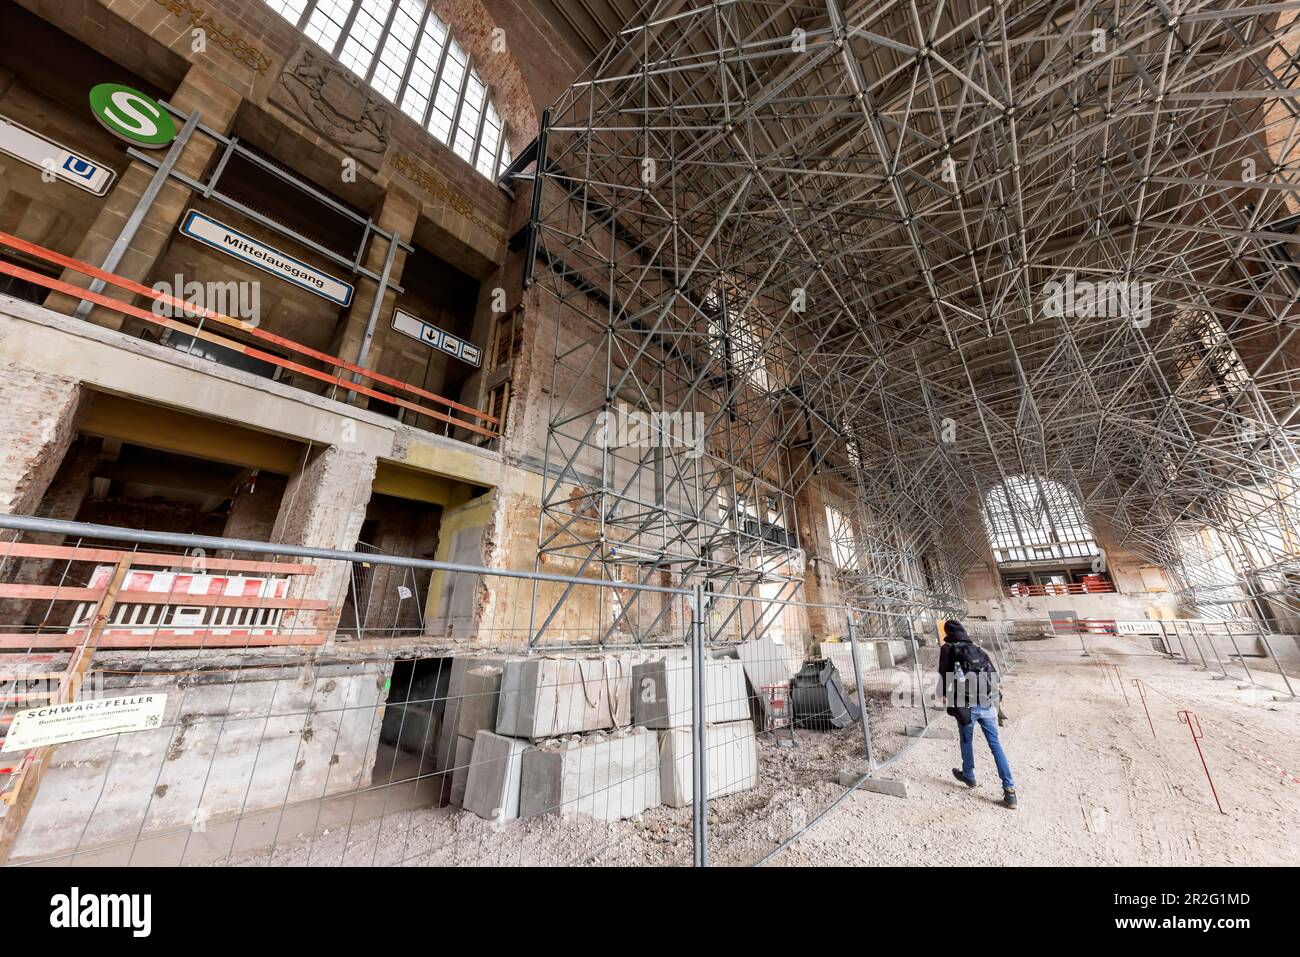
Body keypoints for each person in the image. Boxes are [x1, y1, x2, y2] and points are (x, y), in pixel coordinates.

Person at [937, 619, 1017, 808]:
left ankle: (969, 775)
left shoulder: (948, 648)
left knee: (966, 740)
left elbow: (943, 674)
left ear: (947, 632)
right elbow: (994, 676)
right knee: (996, 746)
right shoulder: (978, 649)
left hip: (965, 705)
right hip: (986, 703)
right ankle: (1010, 791)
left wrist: (942, 694)